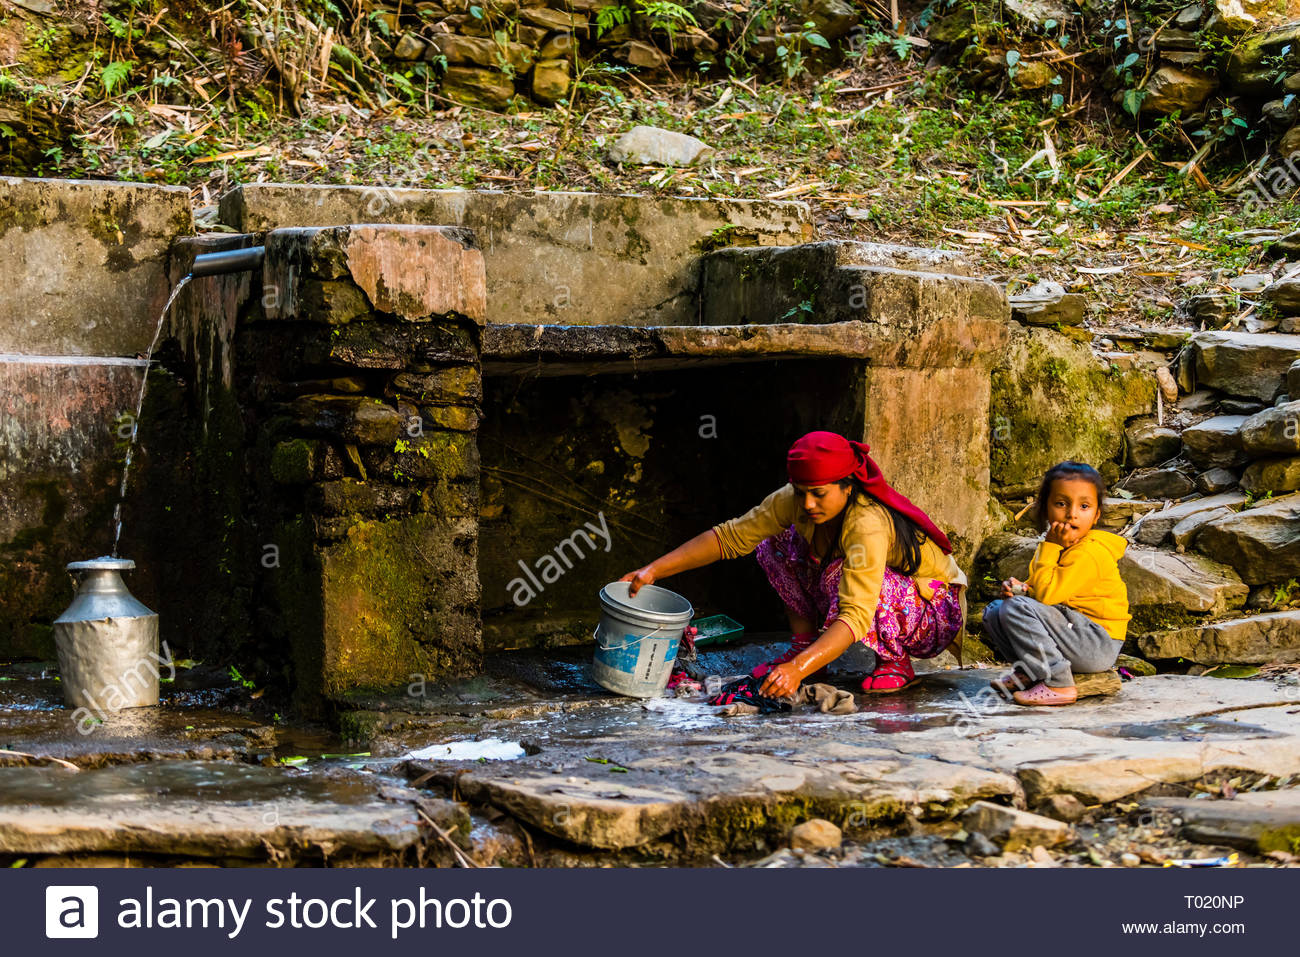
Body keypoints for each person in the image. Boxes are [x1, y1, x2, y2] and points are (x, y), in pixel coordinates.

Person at [619, 430, 967, 698]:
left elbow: (855, 613)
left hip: (931, 615)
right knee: (774, 543)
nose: (809, 503)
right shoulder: (795, 501)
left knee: (838, 575)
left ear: (847, 488)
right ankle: (805, 644)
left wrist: (797, 670)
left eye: (820, 493)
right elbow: (730, 537)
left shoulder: (867, 522)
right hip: (872, 600)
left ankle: (894, 661)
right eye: (801, 492)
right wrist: (653, 571)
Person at [982, 461, 1130, 707]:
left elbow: (1050, 596)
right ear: (1045, 510)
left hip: (1097, 643)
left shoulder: (1089, 553)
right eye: (1061, 504)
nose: (1072, 513)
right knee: (996, 610)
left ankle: (1059, 683)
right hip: (1075, 634)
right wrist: (1021, 588)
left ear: (1096, 516)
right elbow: (1043, 588)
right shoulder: (1056, 546)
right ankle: (1030, 671)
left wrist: (1049, 548)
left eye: (1084, 506)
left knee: (1016, 608)